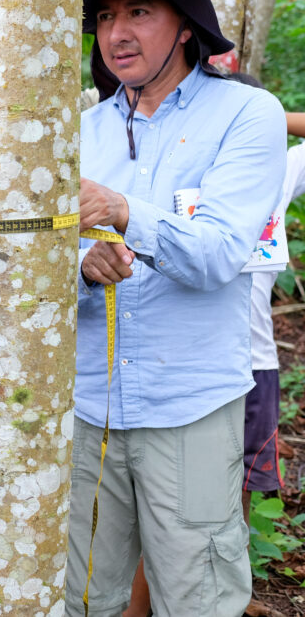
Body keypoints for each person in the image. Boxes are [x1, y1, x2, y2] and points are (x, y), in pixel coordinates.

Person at [69, 0, 287, 616]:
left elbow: (222, 252)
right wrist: (81, 262)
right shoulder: (80, 130)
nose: (117, 33)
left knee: (199, 597)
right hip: (88, 410)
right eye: (106, 17)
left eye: (140, 12)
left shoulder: (247, 116)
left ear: (187, 24)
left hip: (191, 406)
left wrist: (123, 211)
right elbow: (41, 257)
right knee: (84, 595)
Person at [123, 92, 305, 617]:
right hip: (185, 361)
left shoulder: (272, 167)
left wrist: (263, 116)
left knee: (241, 480)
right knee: (168, 495)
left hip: (255, 361)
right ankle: (141, 604)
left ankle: (229, 585)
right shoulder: (174, 168)